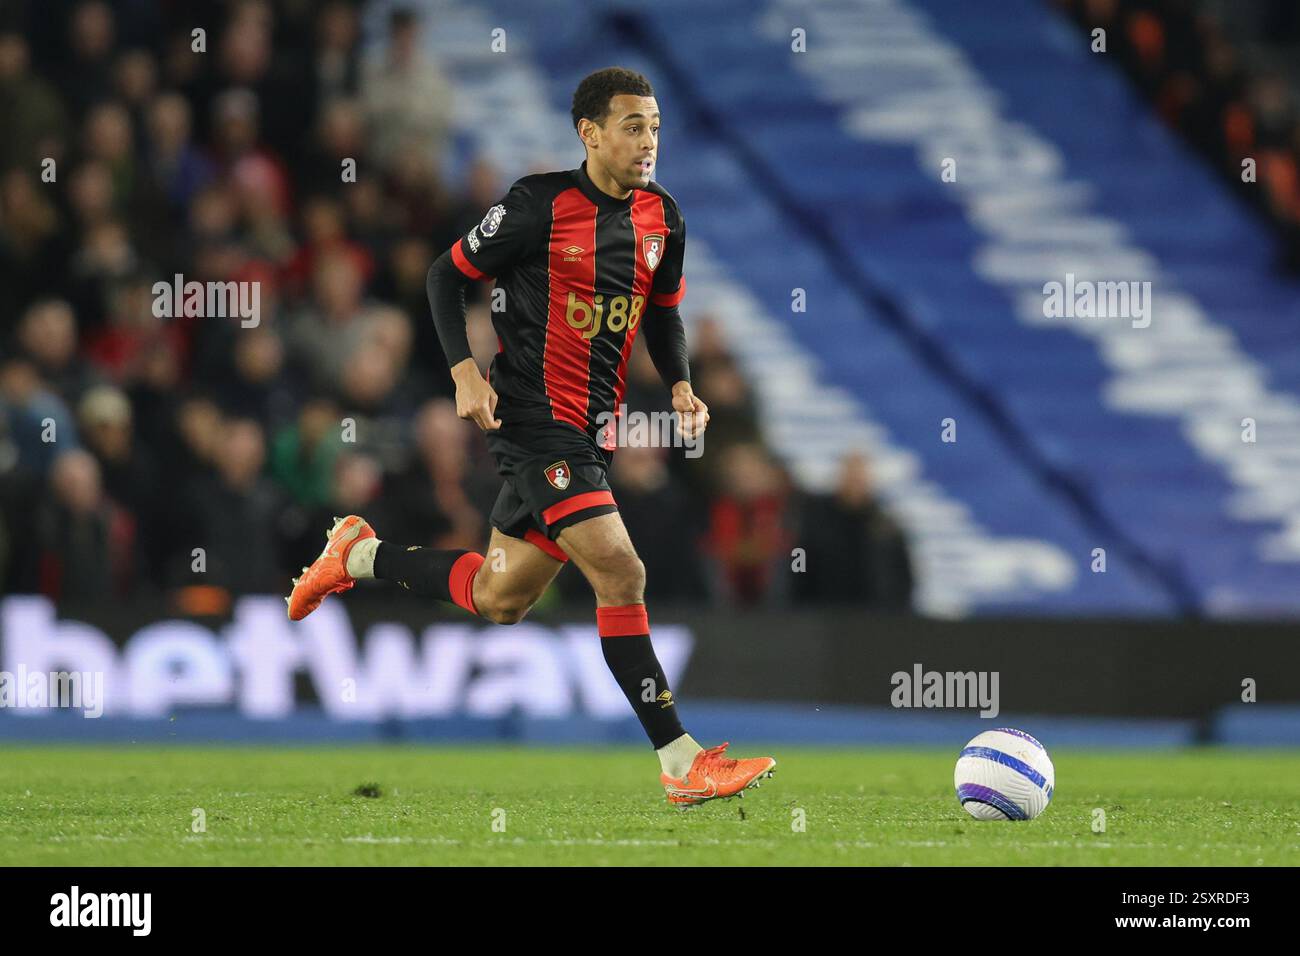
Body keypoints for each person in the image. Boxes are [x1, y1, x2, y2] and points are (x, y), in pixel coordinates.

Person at [288, 67, 774, 806]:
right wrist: (462, 373)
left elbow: (665, 313)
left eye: (655, 127)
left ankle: (357, 551)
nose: (648, 141)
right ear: (590, 133)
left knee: (500, 598)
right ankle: (681, 759)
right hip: (533, 422)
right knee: (621, 571)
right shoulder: (536, 206)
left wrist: (678, 382)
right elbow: (442, 278)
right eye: (633, 126)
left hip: (590, 433)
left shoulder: (663, 219)